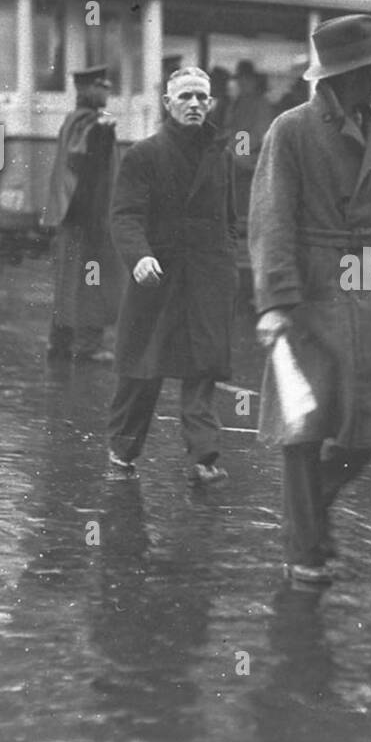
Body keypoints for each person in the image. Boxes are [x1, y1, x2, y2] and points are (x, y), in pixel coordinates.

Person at [249, 14, 371, 586]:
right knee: (306, 426)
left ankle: (310, 516)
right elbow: (271, 220)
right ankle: (304, 549)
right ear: (341, 77)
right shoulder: (290, 131)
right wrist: (275, 301)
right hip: (313, 292)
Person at [106, 67, 237, 485]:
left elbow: (229, 218)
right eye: (185, 97)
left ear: (211, 103)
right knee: (144, 370)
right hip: (157, 276)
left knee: (203, 366)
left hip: (206, 274)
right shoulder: (144, 154)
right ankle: (122, 450)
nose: (195, 104)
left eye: (202, 97)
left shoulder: (220, 154)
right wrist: (139, 258)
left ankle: (205, 456)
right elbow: (124, 216)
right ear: (167, 104)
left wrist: (228, 263)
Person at [44, 66, 124, 363]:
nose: (107, 91)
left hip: (72, 216)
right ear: (86, 89)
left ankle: (60, 343)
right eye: (102, 86)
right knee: (93, 279)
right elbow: (85, 167)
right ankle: (88, 345)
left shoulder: (72, 120)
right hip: (90, 217)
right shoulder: (92, 124)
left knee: (69, 280)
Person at [223, 60, 278, 224]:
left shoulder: (261, 103)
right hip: (238, 154)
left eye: (245, 79)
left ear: (253, 81)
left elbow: (260, 134)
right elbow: (232, 128)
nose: (241, 83)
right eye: (239, 79)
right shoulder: (239, 102)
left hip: (253, 159)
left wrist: (238, 151)